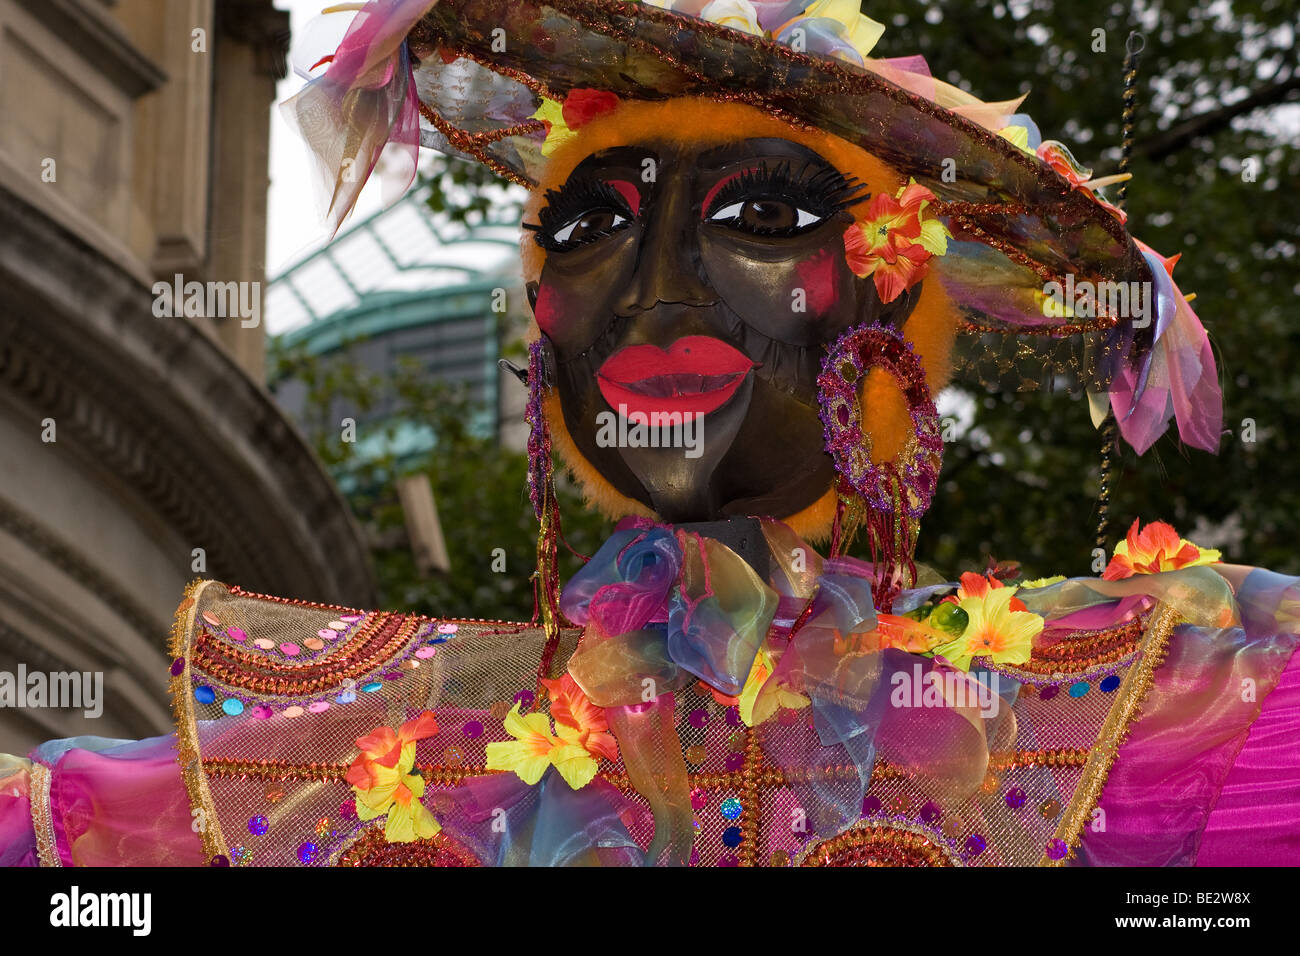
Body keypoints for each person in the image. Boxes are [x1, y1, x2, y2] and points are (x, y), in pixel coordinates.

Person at [2, 0, 1297, 867]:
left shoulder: (1147, 705)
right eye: (589, 224)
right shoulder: (346, 752)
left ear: (890, 292)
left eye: (761, 220)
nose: (655, 284)